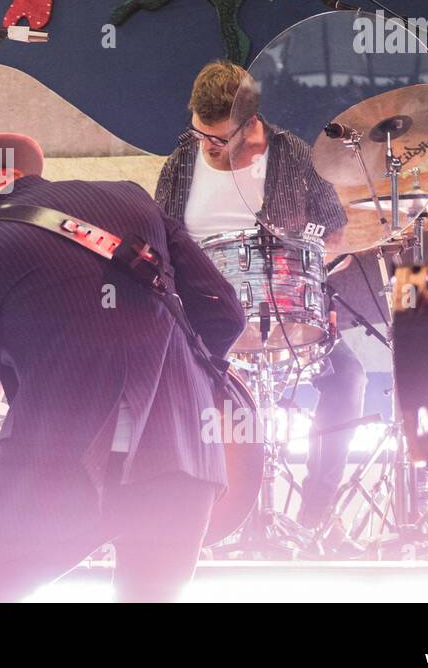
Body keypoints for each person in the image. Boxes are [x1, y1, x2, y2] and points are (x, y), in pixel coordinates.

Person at [0, 133, 246, 601]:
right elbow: (225, 313)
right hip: (181, 463)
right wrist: (185, 393)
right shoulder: (130, 197)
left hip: (61, 474)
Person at [155, 60, 366, 531]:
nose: (206, 146)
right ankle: (215, 517)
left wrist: (310, 270)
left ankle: (315, 512)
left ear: (251, 123)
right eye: (200, 134)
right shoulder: (181, 163)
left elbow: (335, 234)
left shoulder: (293, 154)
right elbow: (160, 245)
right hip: (204, 323)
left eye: (218, 138)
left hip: (288, 310)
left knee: (349, 380)